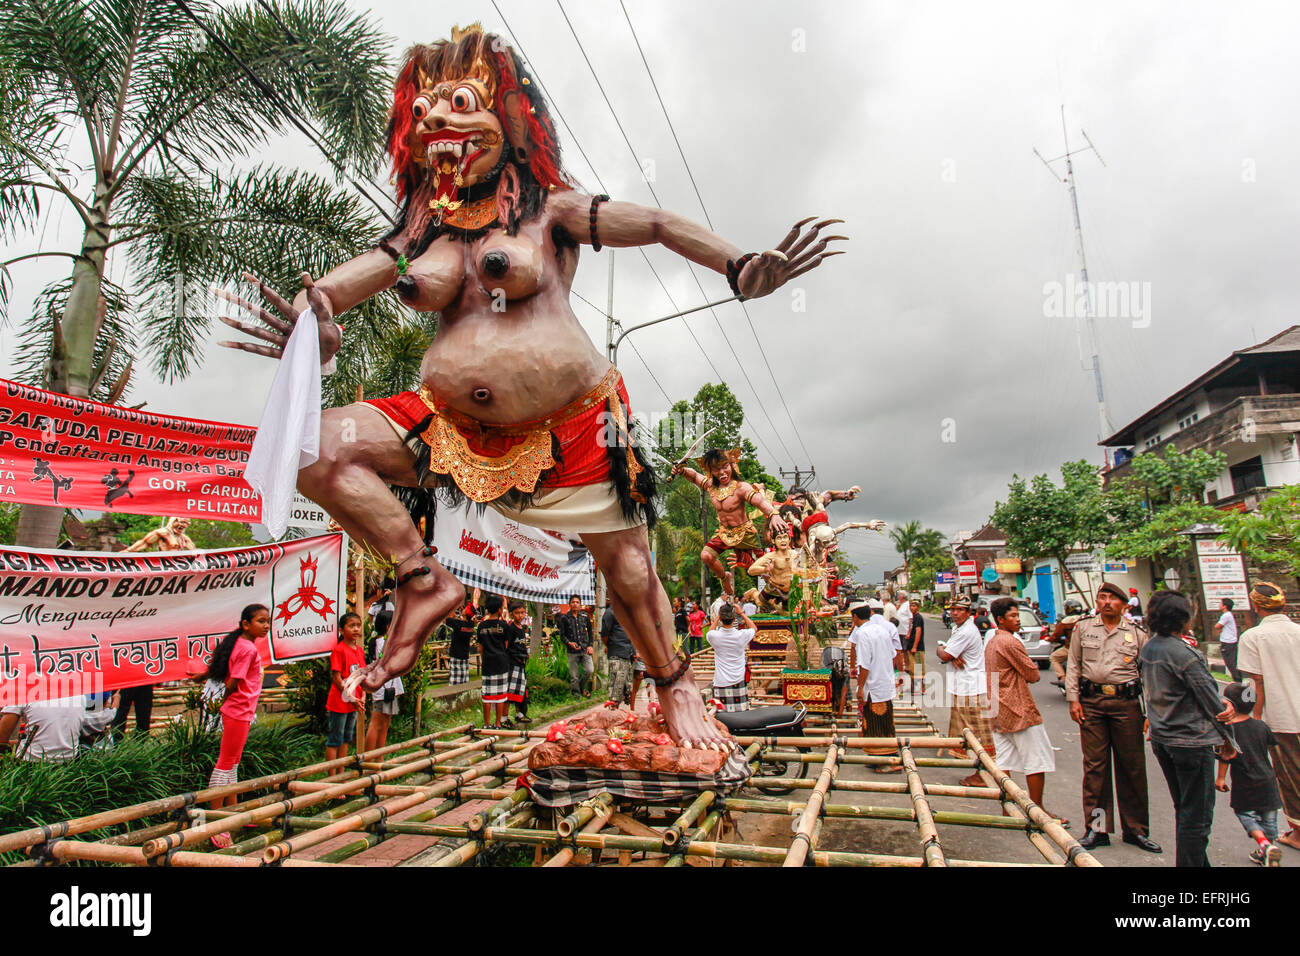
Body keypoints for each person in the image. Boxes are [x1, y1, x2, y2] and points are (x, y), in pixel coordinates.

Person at [220, 24, 843, 752]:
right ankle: (422, 578)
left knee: (631, 570)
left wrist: (739, 268)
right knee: (317, 448)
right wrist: (314, 331)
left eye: (459, 103)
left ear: (510, 119)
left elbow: (661, 225)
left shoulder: (552, 212)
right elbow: (327, 294)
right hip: (446, 423)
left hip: (572, 420)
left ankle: (675, 688)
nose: (437, 124)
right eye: (424, 114)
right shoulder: (419, 238)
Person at [1140, 590, 1236, 867]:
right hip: (1191, 743)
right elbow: (1211, 702)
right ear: (1182, 618)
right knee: (1197, 817)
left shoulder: (1150, 648)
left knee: (1185, 809)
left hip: (1163, 739)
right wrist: (1228, 740)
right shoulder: (1184, 654)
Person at [1066, 582, 1159, 853]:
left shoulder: (1137, 633)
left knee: (1132, 767)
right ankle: (1097, 830)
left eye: (1113, 599)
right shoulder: (1083, 629)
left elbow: (1147, 675)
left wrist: (1150, 712)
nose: (1106, 602)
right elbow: (1073, 664)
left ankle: (1136, 830)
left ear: (1124, 605)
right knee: (1095, 768)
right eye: (1102, 597)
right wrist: (1073, 700)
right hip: (1091, 703)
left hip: (1127, 704)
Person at [195, 603, 268, 847]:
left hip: (241, 710)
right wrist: (224, 703)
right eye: (260, 621)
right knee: (226, 763)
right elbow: (233, 681)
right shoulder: (247, 649)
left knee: (233, 762)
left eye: (267, 621)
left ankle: (234, 811)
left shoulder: (242, 645)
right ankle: (216, 821)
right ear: (246, 624)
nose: (265, 625)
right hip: (238, 710)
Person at [984, 598, 1064, 820]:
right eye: (1012, 616)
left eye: (1017, 616)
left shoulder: (992, 641)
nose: (1017, 620)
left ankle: (1006, 807)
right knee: (1036, 759)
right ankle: (1036, 809)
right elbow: (1034, 674)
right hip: (1017, 707)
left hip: (998, 707)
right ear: (1000, 620)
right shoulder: (1009, 642)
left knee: (1004, 761)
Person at [673, 449, 788, 597]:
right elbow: (694, 475)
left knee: (766, 569)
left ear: (732, 466)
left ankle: (782, 594)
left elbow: (759, 501)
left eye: (724, 467)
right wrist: (681, 470)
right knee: (706, 556)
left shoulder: (741, 487)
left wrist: (773, 514)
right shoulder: (710, 486)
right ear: (711, 471)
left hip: (746, 534)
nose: (721, 472)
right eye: (716, 469)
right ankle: (724, 577)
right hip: (725, 533)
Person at [1237, 581, 1300, 851]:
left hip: (1282, 717)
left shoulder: (1252, 637)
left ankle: (1298, 831)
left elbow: (1256, 682)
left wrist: (1256, 720)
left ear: (1256, 607)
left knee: (1290, 776)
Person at [1215, 682, 1284, 866]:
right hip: (1268, 779)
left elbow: (1225, 757)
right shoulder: (1261, 726)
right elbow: (1273, 750)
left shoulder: (1229, 731)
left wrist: (1221, 778)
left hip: (1245, 781)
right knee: (1269, 816)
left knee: (1245, 813)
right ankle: (1268, 851)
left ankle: (1264, 845)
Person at [936, 595, 995, 786]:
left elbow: (944, 653)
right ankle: (982, 770)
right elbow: (948, 654)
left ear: (969, 612)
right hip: (963, 687)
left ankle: (986, 773)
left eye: (959, 610)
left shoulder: (966, 631)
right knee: (968, 732)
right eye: (953, 609)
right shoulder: (958, 628)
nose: (955, 613)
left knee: (980, 734)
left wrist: (944, 652)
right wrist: (948, 654)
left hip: (971, 688)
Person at [849, 603, 902, 771]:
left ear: (855, 617)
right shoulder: (882, 630)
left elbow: (864, 664)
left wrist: (860, 687)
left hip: (873, 684)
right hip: (884, 681)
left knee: (877, 723)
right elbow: (894, 655)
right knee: (880, 722)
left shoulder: (863, 633)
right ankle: (878, 755)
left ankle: (885, 759)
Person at [0, 694, 117, 761]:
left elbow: (2, 738)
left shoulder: (23, 691)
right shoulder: (79, 695)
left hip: (32, 762)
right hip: (69, 760)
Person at [326, 612, 367, 774]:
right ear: (342, 630)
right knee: (335, 739)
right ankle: (331, 778)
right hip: (340, 702)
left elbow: (361, 675)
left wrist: (362, 695)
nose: (356, 629)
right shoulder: (339, 650)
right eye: (352, 626)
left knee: (346, 738)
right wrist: (350, 696)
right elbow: (336, 677)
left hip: (354, 702)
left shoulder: (359, 651)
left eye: (358, 625)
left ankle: (341, 774)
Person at [706, 603, 756, 712]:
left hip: (721, 681)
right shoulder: (741, 635)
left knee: (722, 714)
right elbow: (754, 628)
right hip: (738, 679)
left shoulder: (714, 636)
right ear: (734, 619)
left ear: (721, 619)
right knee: (741, 714)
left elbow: (710, 631)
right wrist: (741, 613)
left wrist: (718, 616)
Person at [365, 631, 405, 752]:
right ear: (388, 626)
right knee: (376, 723)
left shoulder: (383, 642)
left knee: (385, 723)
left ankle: (379, 757)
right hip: (383, 688)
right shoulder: (383, 644)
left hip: (389, 687)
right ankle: (368, 759)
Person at [476, 594, 512, 728]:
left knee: (487, 694)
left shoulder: (481, 626)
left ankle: (486, 724)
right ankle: (497, 723)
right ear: (499, 610)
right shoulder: (504, 626)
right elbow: (506, 644)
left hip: (487, 663)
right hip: (501, 662)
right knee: (500, 694)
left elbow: (480, 648)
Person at [557, 595, 594, 697]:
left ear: (580, 604)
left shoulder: (585, 616)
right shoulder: (564, 618)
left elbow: (590, 632)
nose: (575, 604)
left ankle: (582, 688)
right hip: (572, 651)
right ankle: (576, 695)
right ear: (569, 604)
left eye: (577, 602)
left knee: (589, 670)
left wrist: (590, 645)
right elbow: (562, 636)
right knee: (574, 676)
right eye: (573, 602)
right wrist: (569, 643)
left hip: (584, 649)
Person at [602, 604, 636, 708]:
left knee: (627, 689)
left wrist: (633, 651)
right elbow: (604, 635)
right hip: (616, 653)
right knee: (615, 691)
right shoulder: (610, 613)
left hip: (627, 654)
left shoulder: (628, 613)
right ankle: (612, 716)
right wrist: (611, 645)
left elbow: (631, 634)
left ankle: (620, 715)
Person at [1047, 600, 1085, 689]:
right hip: (1087, 649)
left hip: (1071, 649)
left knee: (1053, 657)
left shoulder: (1065, 622)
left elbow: (1055, 636)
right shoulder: (1086, 619)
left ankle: (1063, 678)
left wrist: (1049, 639)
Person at [504, 601, 531, 725]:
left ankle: (519, 713)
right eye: (517, 613)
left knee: (520, 689)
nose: (520, 615)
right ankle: (504, 717)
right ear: (512, 614)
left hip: (521, 663)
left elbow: (522, 644)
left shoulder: (522, 628)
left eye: (522, 613)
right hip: (512, 663)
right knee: (510, 691)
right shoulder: (511, 628)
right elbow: (507, 646)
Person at [441, 597, 476, 686]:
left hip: (456, 654)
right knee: (464, 679)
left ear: (465, 613)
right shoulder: (471, 625)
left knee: (454, 680)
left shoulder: (457, 624)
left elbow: (444, 619)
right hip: (465, 655)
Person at [1213, 598, 1240, 682]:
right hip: (1229, 641)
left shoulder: (1226, 615)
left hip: (1228, 642)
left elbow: (1217, 626)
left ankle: (1237, 681)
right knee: (1230, 662)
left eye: (1220, 603)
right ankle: (1236, 680)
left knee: (1230, 663)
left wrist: (1219, 628)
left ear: (1225, 606)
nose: (1219, 605)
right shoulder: (1228, 615)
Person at [821, 639, 850, 718]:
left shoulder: (846, 672)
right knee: (829, 692)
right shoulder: (826, 669)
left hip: (837, 663)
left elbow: (844, 694)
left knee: (846, 695)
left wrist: (840, 713)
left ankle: (848, 717)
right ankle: (827, 713)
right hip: (829, 665)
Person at [905, 598, 925, 695]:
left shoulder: (918, 617)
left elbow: (918, 631)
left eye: (914, 606)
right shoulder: (913, 618)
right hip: (911, 645)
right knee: (913, 669)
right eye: (911, 606)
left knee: (918, 668)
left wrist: (915, 646)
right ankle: (915, 688)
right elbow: (912, 630)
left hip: (917, 647)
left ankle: (920, 688)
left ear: (918, 607)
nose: (912, 608)